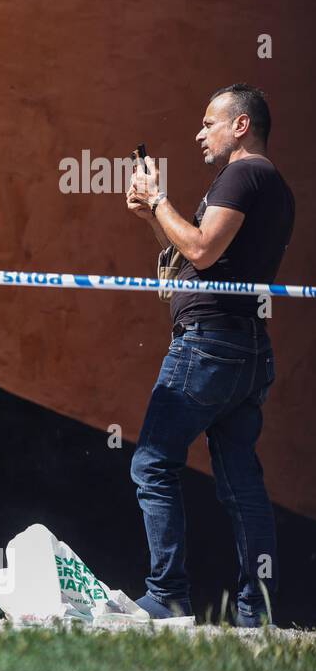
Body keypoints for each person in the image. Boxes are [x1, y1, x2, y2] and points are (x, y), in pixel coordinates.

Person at [126, 83, 295, 626]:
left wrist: (159, 200)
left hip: (208, 347)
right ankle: (255, 615)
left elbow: (201, 249)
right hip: (244, 349)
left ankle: (167, 597)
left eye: (208, 123)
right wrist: (152, 217)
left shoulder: (244, 175)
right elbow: (193, 257)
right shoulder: (270, 184)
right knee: (241, 482)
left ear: (240, 125)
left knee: (152, 463)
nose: (200, 134)